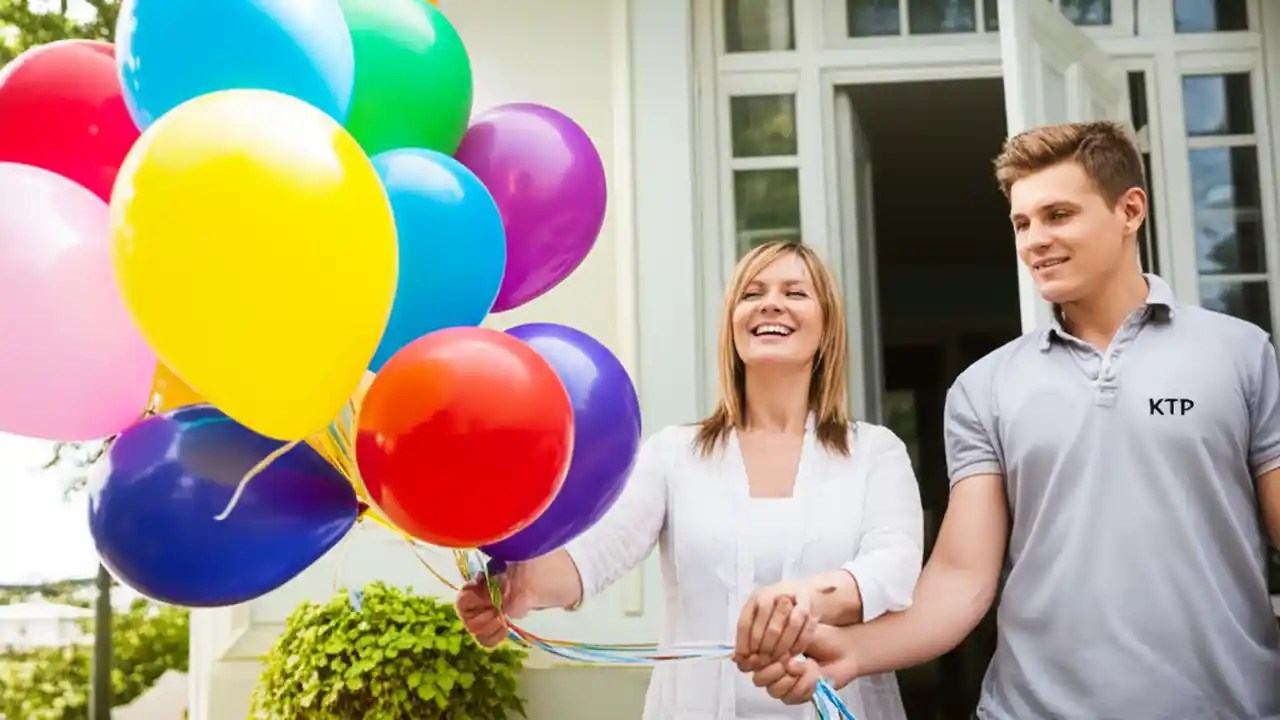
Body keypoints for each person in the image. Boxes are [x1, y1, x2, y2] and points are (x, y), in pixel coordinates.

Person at [743, 120, 1280, 718]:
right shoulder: (985, 388)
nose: (1034, 241)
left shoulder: (1241, 354)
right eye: (1021, 224)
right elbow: (961, 576)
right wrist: (850, 652)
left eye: (1057, 215)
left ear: (1129, 211)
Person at [455, 239, 925, 719]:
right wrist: (521, 588)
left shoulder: (874, 452)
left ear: (827, 329)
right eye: (752, 292)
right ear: (733, 327)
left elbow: (894, 566)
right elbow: (595, 554)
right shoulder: (673, 454)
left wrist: (805, 599)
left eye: (795, 293)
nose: (770, 303)